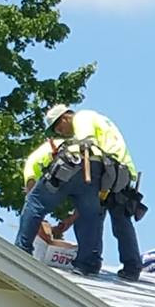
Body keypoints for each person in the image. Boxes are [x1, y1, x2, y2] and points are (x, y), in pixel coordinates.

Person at [15, 104, 141, 278]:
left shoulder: (82, 117)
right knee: (92, 216)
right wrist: (69, 220)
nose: (60, 132)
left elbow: (86, 143)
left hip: (83, 162)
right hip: (113, 174)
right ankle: (88, 264)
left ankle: (21, 250)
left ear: (66, 116)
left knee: (35, 202)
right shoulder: (105, 122)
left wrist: (33, 198)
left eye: (59, 127)